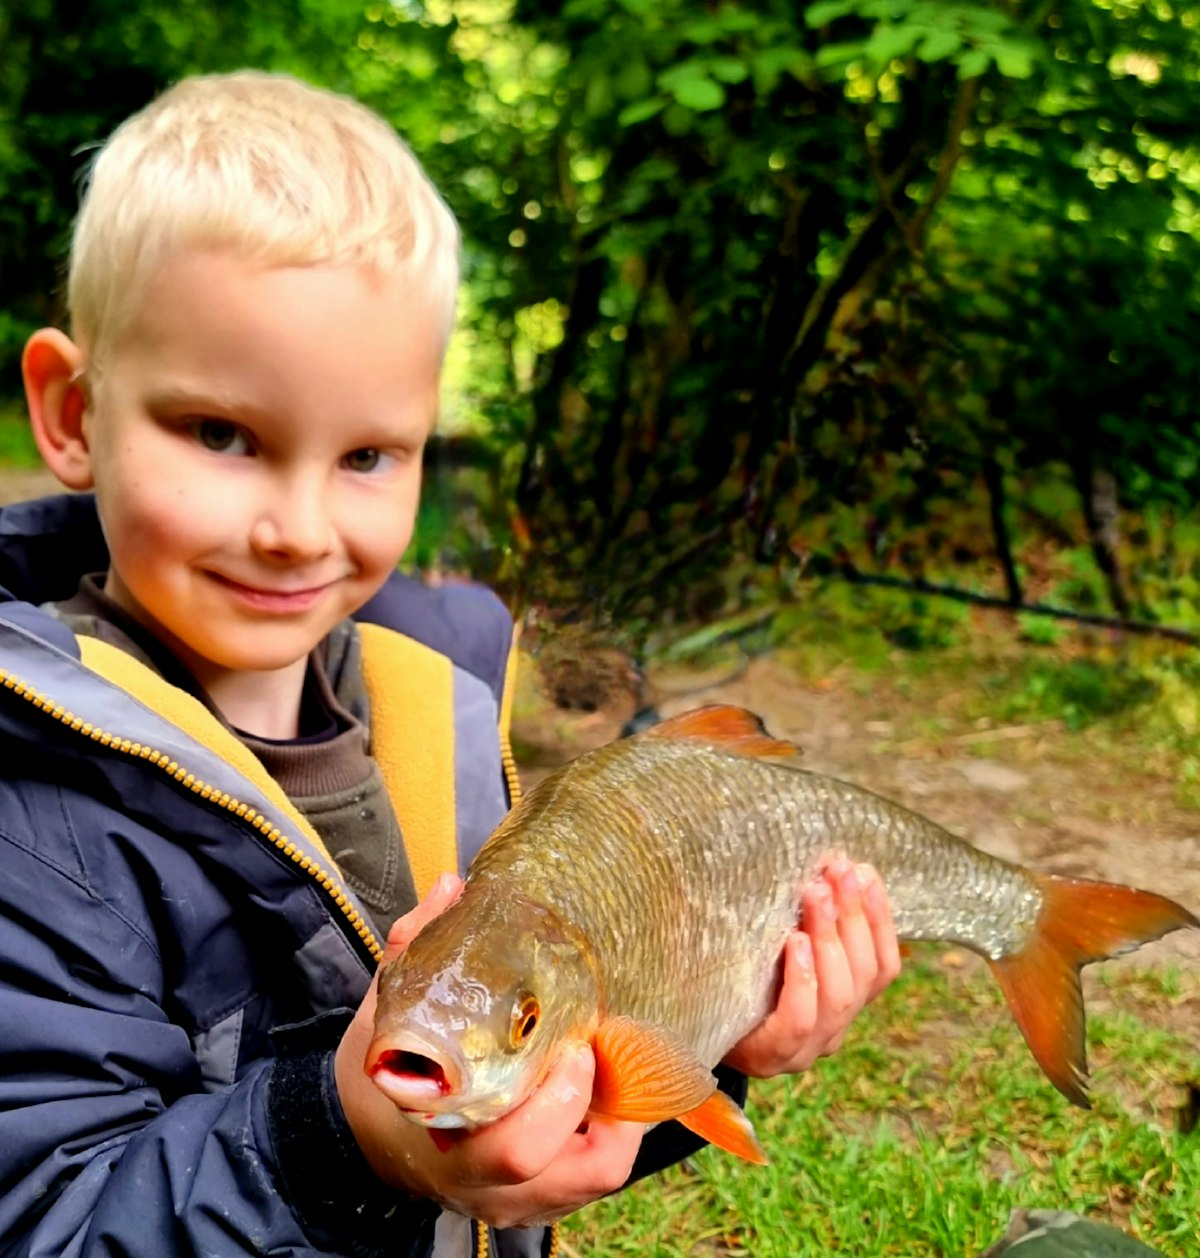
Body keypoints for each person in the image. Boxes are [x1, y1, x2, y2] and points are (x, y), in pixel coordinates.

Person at [0, 71, 901, 1257]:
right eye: (223, 435)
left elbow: (534, 1104)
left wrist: (719, 1058)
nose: (300, 527)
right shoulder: (31, 823)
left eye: (367, 454)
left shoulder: (438, 716)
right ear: (70, 412)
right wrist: (340, 1143)